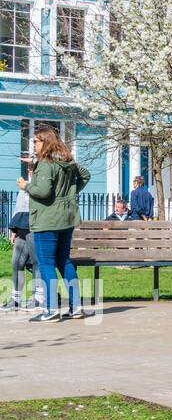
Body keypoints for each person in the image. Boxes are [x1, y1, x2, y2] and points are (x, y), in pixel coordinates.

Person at [18, 126, 91, 322]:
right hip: (66, 219)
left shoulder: (45, 163)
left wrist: (26, 186)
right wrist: (70, 193)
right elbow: (85, 175)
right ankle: (76, 307)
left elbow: (42, 191)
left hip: (47, 220)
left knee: (47, 264)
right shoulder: (67, 160)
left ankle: (51, 310)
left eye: (36, 141)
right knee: (64, 261)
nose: (33, 144)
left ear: (45, 141)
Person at [7, 188, 42, 311]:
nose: (29, 168)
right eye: (28, 167)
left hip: (36, 224)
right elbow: (19, 206)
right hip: (21, 225)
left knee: (37, 262)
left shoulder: (43, 179)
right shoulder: (23, 183)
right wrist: (14, 230)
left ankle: (38, 299)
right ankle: (15, 299)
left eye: (31, 166)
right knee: (17, 262)